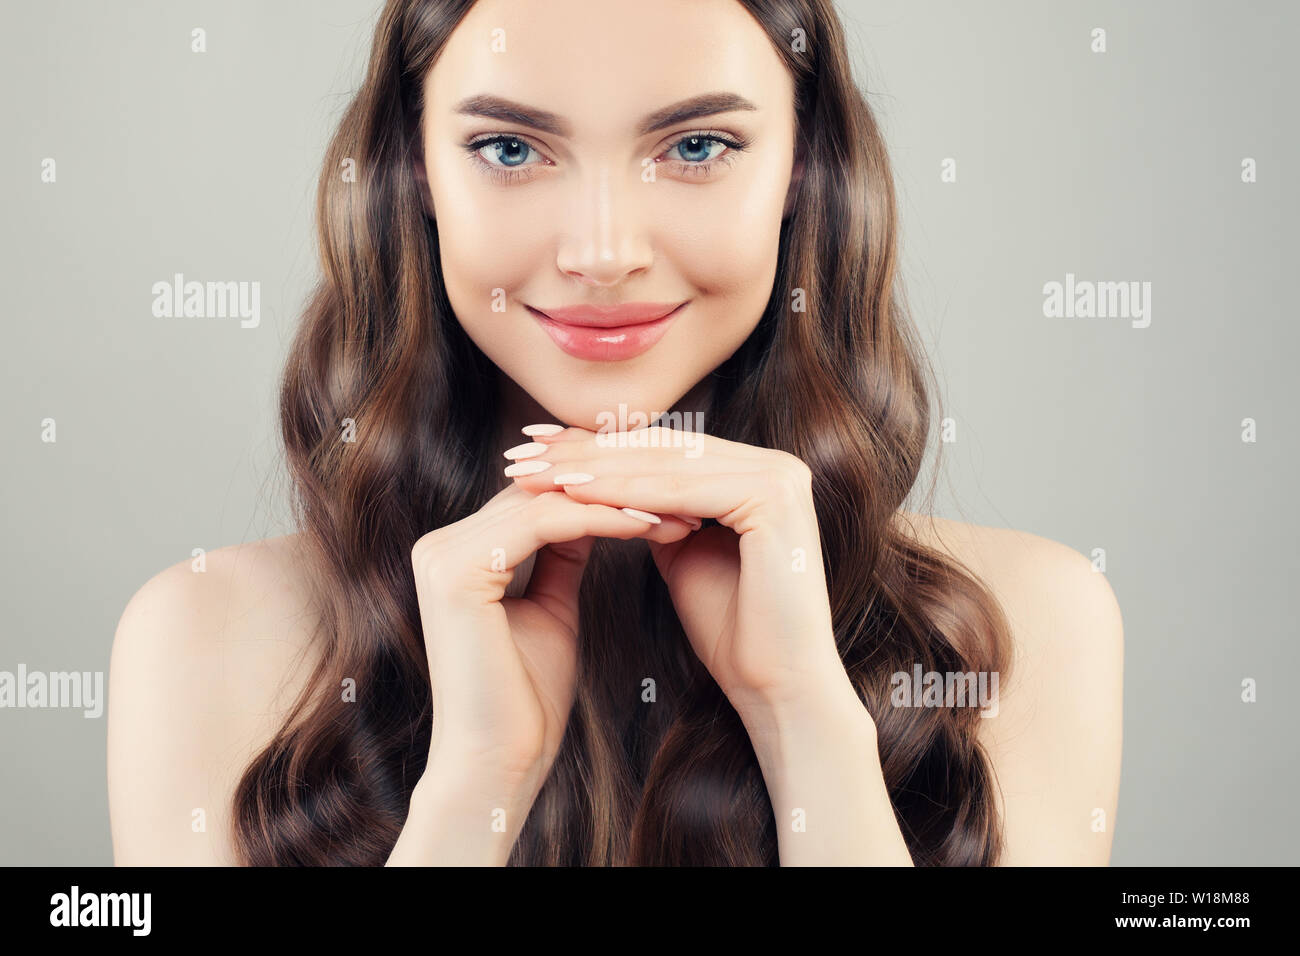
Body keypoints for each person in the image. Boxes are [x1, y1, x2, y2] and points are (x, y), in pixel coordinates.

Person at [108, 0, 1123, 866]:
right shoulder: (206, 636)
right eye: (508, 148)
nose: (603, 252)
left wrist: (804, 721)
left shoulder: (1026, 625)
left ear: (800, 172)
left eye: (695, 147)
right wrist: (471, 794)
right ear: (415, 174)